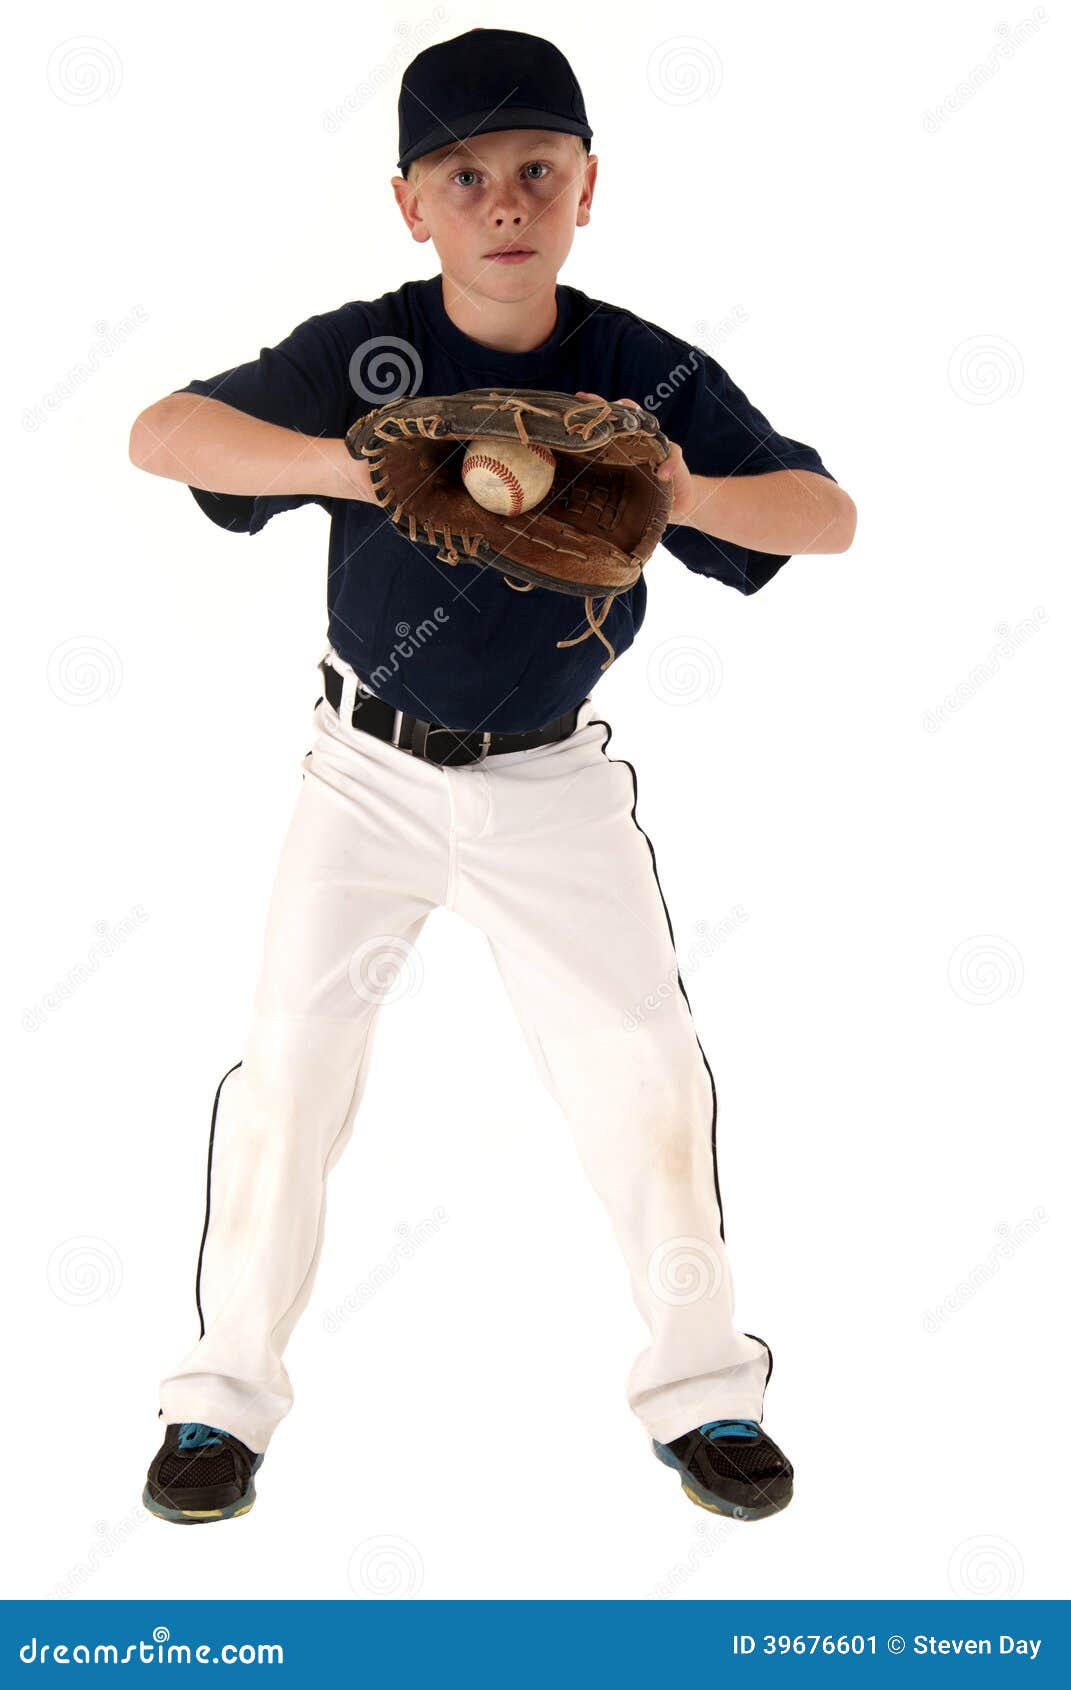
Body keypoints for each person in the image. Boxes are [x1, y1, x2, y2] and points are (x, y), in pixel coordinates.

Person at [129, 27, 856, 1527]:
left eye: (539, 167)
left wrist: (683, 489)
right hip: (365, 770)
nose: (504, 198)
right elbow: (162, 433)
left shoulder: (638, 371)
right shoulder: (371, 349)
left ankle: (705, 1392)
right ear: (413, 204)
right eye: (466, 174)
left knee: (645, 1068)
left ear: (590, 187)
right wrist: (353, 455)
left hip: (554, 788)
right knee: (289, 1071)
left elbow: (825, 516)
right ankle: (219, 1406)